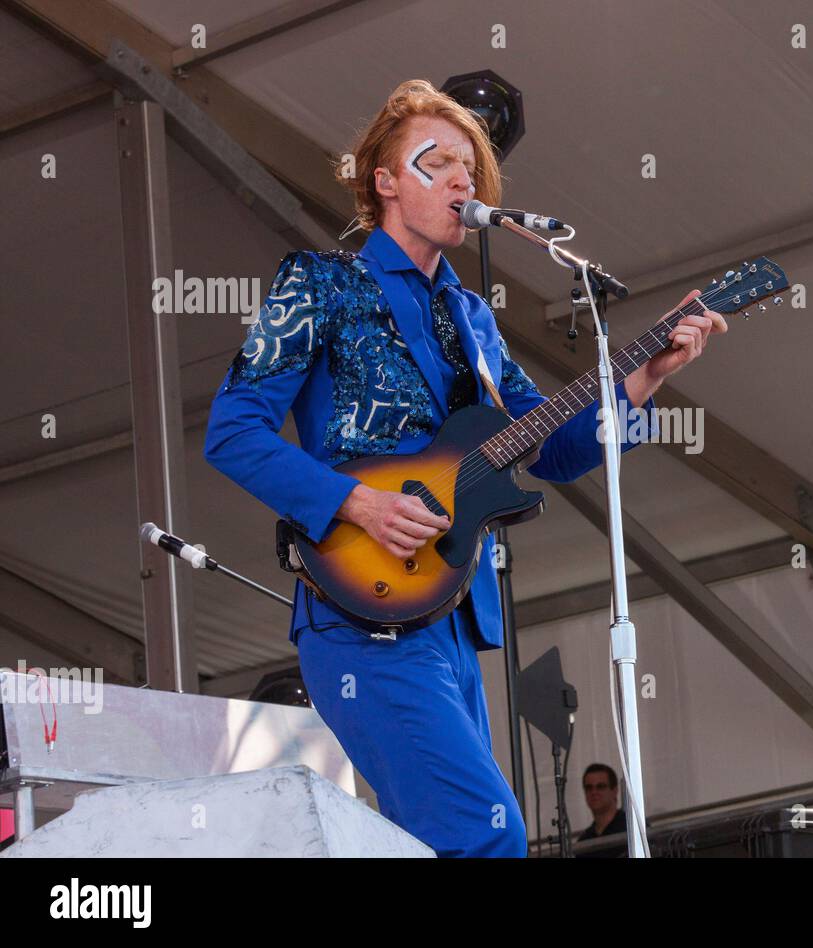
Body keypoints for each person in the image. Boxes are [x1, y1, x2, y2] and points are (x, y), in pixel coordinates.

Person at [204, 80, 726, 857]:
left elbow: (546, 448)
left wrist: (644, 379)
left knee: (444, 839)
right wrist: (355, 504)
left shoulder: (473, 317)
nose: (462, 180)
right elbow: (232, 431)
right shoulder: (318, 283)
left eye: (471, 168)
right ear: (384, 180)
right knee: (482, 834)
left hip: (450, 608)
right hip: (358, 610)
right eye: (437, 162)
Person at [575, 763, 626, 857]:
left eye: (601, 786)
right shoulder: (584, 842)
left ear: (614, 791)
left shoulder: (631, 829)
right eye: (589, 788)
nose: (594, 792)